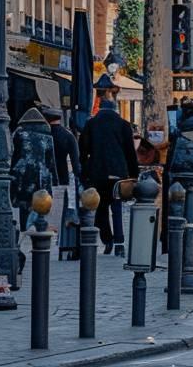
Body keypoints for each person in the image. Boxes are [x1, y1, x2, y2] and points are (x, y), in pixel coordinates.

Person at [80, 74, 139, 253]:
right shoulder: (123, 125)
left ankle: (107, 240)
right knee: (117, 206)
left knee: (101, 207)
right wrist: (133, 174)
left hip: (97, 172)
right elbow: (130, 151)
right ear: (115, 109)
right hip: (118, 172)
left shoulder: (91, 124)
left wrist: (84, 170)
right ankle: (120, 242)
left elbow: (83, 149)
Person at [10, 108, 58, 230]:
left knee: (23, 203)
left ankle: (24, 227)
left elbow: (14, 155)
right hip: (41, 174)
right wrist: (55, 180)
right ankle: (37, 227)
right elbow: (50, 160)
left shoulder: (19, 134)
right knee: (40, 201)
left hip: (22, 173)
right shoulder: (47, 136)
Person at [42, 108, 82, 192]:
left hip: (45, 179)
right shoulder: (68, 136)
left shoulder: (43, 135)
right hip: (62, 178)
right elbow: (76, 165)